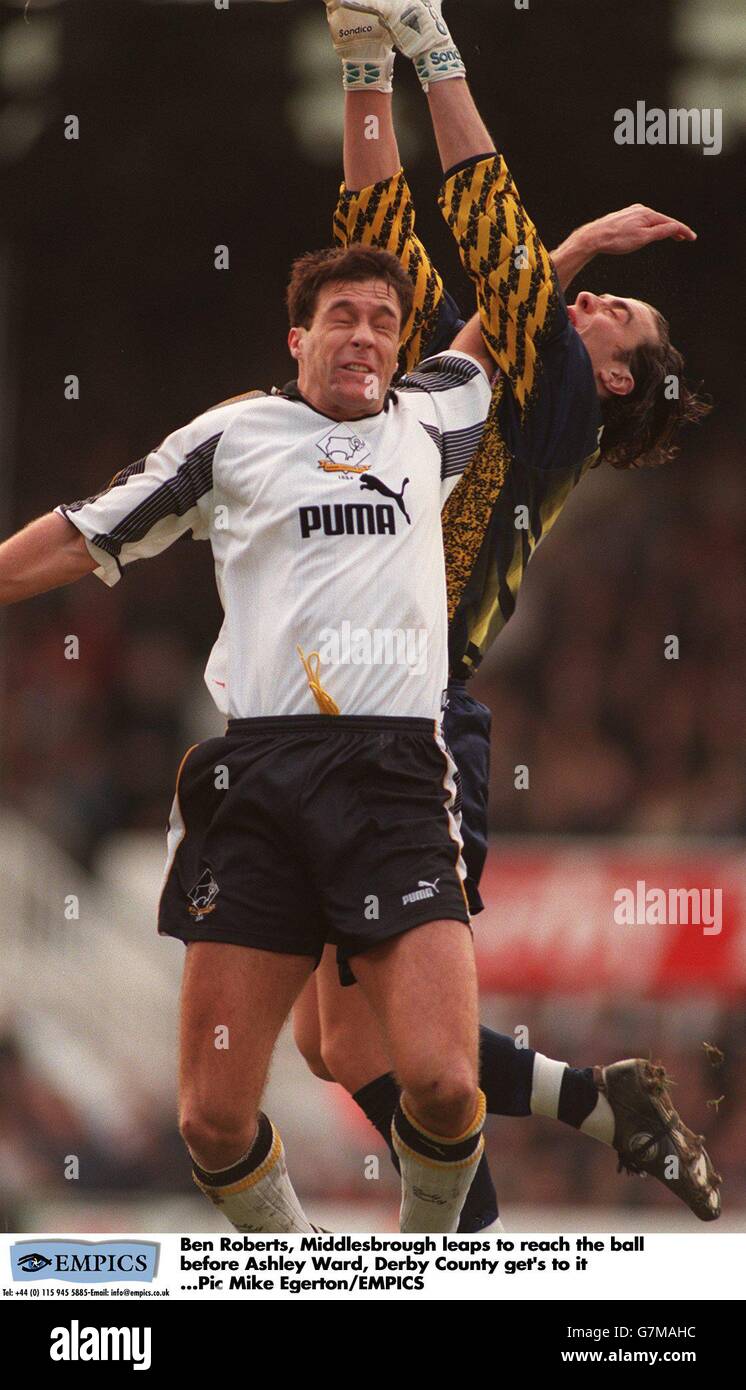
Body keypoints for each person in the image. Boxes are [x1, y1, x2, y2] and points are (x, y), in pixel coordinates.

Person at [0, 35, 556, 1235]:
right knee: (209, 1118)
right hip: (254, 778)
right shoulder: (233, 436)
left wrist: (410, 67)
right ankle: (293, 1265)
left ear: (405, 346)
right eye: (338, 317)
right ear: (293, 339)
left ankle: (416, 1262)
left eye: (382, 319)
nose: (363, 333)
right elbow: (82, 530)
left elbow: (513, 294)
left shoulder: (437, 416)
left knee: (445, 1081)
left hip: (397, 772)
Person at [289, 0, 720, 1229]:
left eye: (615, 313)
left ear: (621, 372)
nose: (592, 303)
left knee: (397, 1045)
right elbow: (385, 244)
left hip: (408, 719)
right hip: (363, 706)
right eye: (596, 296)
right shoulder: (491, 371)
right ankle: (586, 1111)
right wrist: (356, 66)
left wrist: (426, 45)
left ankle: (480, 1221)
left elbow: (490, 226)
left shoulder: (561, 394)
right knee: (335, 1041)